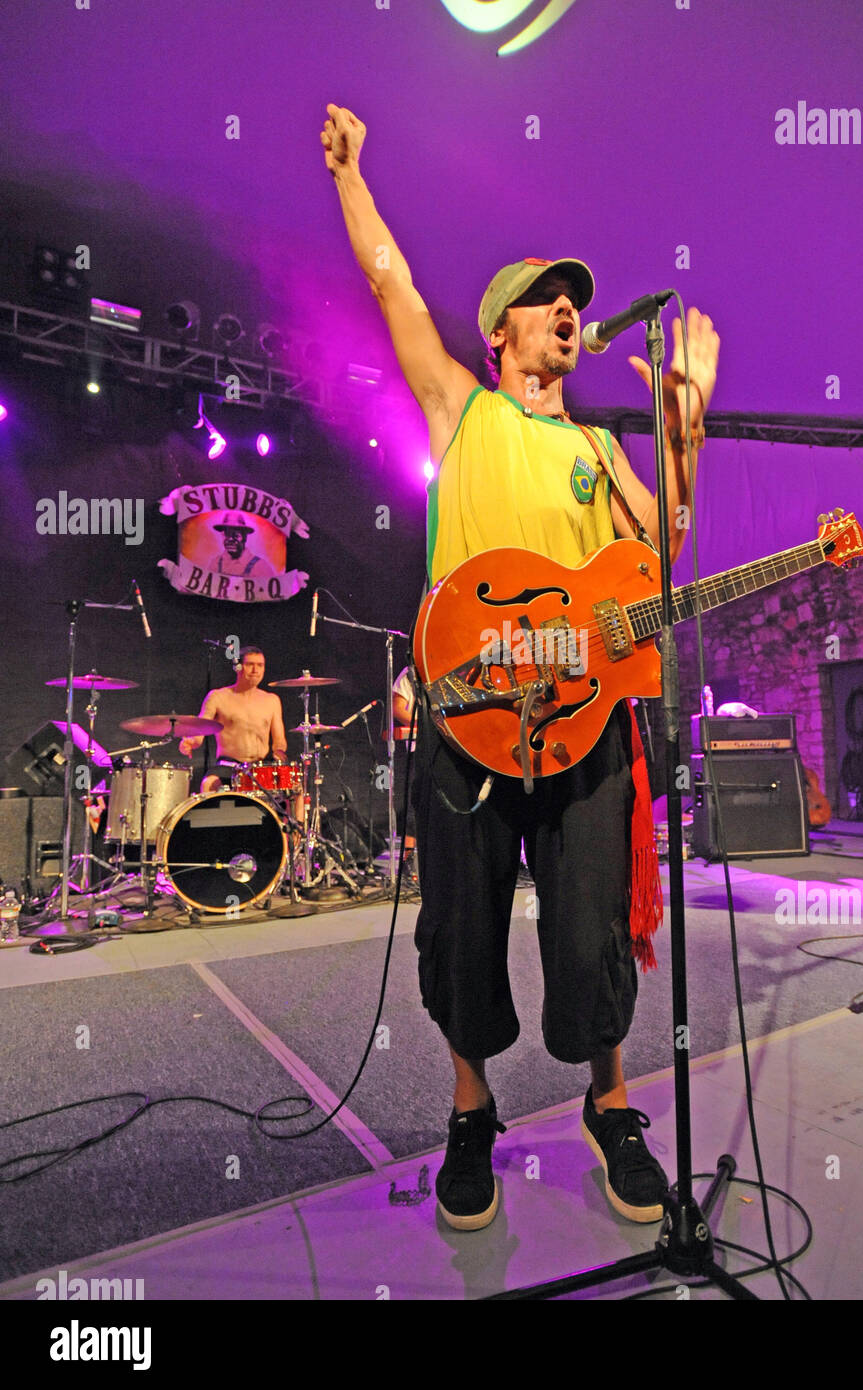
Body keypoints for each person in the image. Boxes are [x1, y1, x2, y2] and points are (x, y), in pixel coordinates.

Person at [323, 103, 720, 1231]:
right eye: (549, 298)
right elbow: (394, 282)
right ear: (500, 329)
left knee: (592, 923)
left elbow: (663, 552)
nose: (570, 312)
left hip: (586, 717)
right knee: (462, 918)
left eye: (576, 303)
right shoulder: (462, 409)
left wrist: (684, 432)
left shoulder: (599, 447)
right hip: (471, 716)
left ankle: (611, 1105)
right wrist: (354, 176)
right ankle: (468, 1109)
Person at [179, 647, 288, 792]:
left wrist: (279, 753)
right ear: (238, 667)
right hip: (228, 766)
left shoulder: (272, 700)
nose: (256, 670)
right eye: (250, 665)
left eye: (260, 665)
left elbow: (279, 740)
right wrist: (191, 742)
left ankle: (295, 816)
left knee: (295, 789)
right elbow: (202, 727)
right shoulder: (218, 697)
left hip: (260, 767)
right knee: (208, 784)